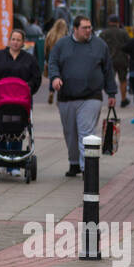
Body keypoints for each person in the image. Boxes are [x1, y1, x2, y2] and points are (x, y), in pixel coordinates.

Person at [47, 15, 116, 177]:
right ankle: (74, 163)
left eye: (90, 27)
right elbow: (53, 63)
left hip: (92, 96)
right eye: (85, 28)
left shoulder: (100, 45)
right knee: (70, 133)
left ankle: (88, 167)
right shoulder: (62, 45)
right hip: (66, 96)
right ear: (75, 29)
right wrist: (55, 77)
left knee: (86, 132)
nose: (88, 31)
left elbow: (108, 69)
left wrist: (111, 92)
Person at [0, 27, 41, 95]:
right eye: (13, 39)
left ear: (23, 43)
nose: (15, 42)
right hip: (0, 97)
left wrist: (29, 85)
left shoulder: (30, 59)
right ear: (9, 41)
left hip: (22, 97)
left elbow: (36, 78)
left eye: (18, 40)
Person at [98, 14, 131, 107]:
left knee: (110, 80)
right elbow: (129, 44)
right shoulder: (123, 33)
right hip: (122, 59)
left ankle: (111, 98)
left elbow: (99, 46)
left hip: (109, 60)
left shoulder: (103, 33)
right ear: (118, 23)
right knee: (123, 80)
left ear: (109, 22)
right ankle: (123, 99)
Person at [42, 17, 69, 104]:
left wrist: (46, 58)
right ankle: (59, 96)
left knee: (53, 76)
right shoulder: (65, 36)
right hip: (62, 59)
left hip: (51, 57)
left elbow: (46, 47)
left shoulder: (50, 34)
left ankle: (51, 92)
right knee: (62, 77)